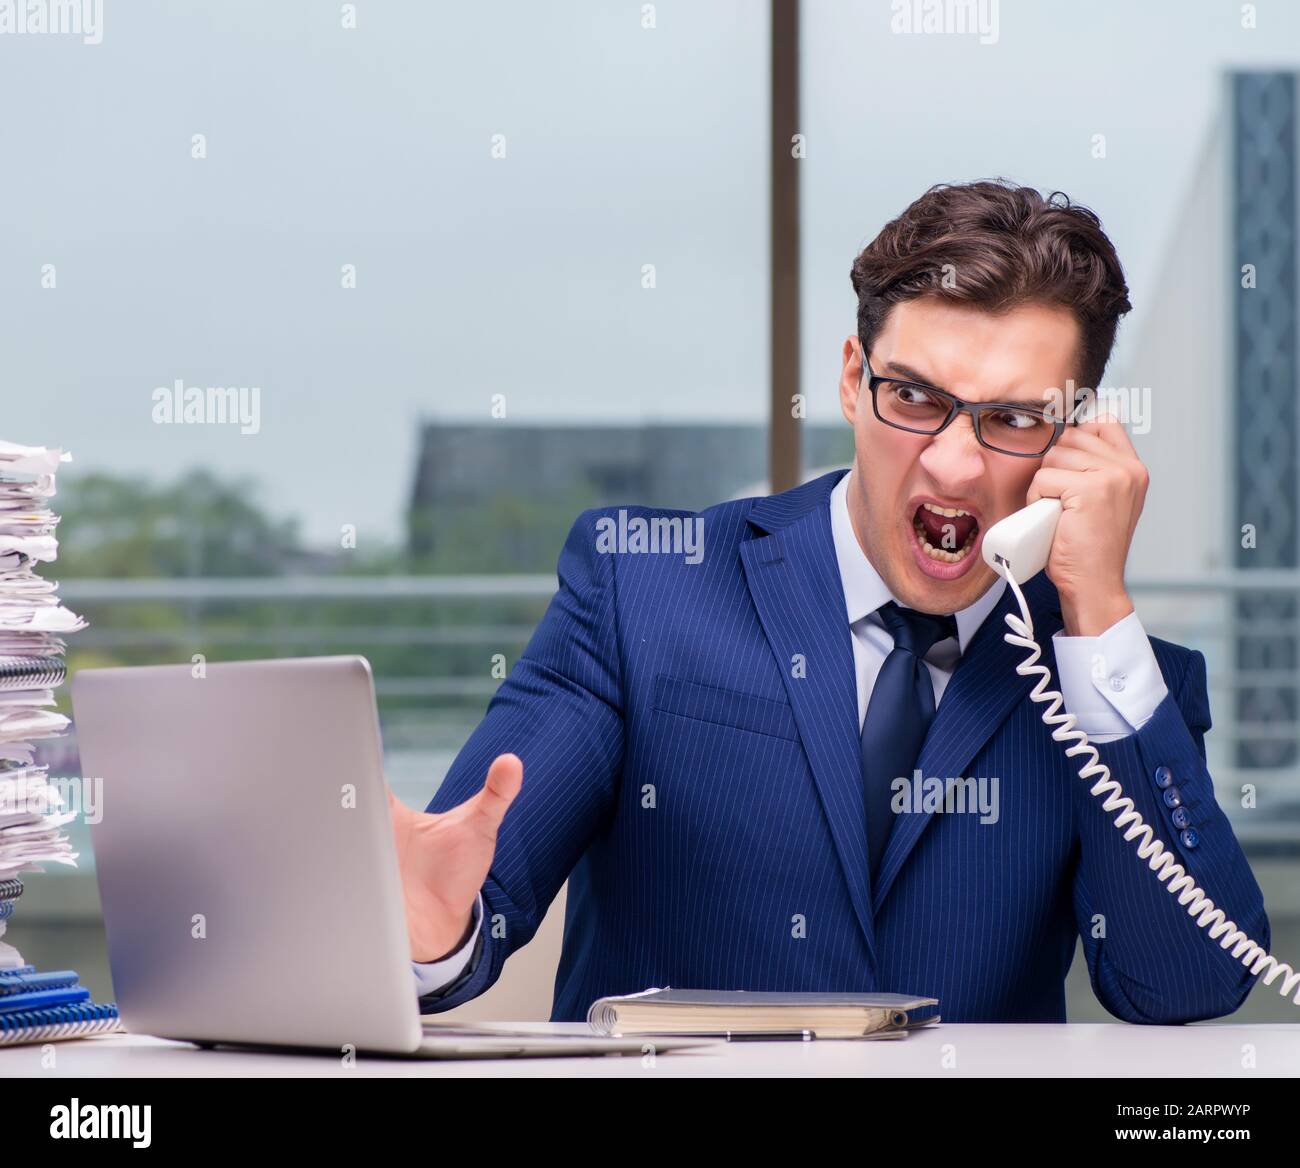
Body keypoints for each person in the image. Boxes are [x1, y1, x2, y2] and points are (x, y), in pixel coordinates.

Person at [389, 179, 1269, 1024]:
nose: (954, 465)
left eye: (1013, 419)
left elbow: (1186, 982)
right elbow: (466, 893)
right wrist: (429, 933)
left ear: (1074, 435)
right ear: (853, 380)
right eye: (914, 397)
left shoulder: (1098, 673)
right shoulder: (642, 589)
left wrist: (1100, 613)